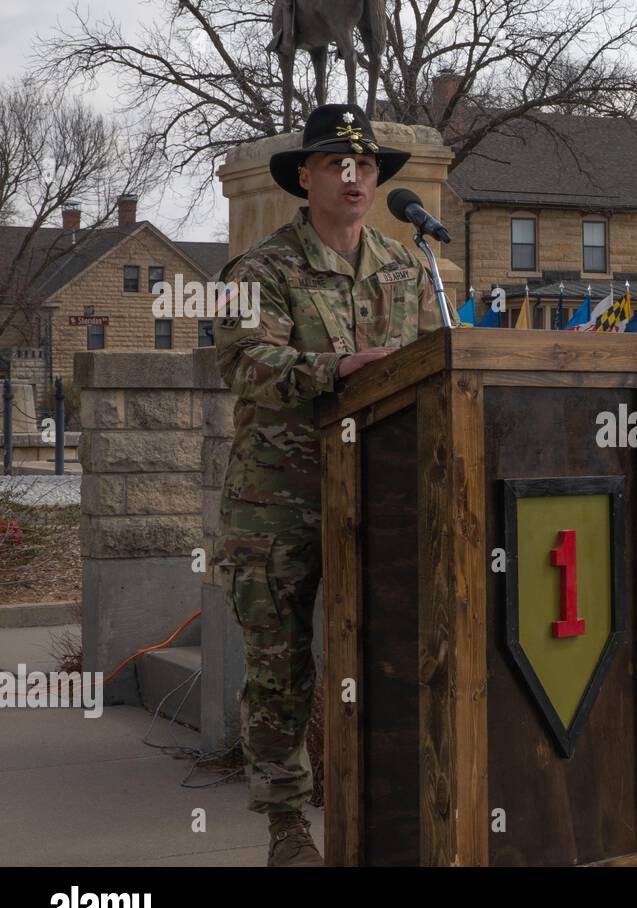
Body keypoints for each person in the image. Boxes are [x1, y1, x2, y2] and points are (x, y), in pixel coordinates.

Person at [214, 103, 438, 866]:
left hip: (377, 500)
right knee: (280, 672)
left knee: (380, 659)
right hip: (276, 507)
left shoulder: (408, 269)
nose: (354, 176)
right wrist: (333, 369)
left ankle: (375, 806)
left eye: (366, 165)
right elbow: (246, 364)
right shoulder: (261, 270)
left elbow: (431, 371)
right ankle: (287, 829)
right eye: (337, 164)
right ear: (305, 177)